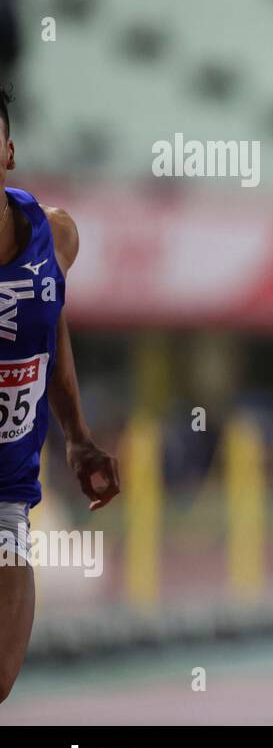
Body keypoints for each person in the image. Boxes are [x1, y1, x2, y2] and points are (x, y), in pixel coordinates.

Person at [0, 85, 121, 706]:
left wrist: (77, 436)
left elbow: (53, 329)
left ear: (9, 151)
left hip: (8, 501)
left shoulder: (55, 238)